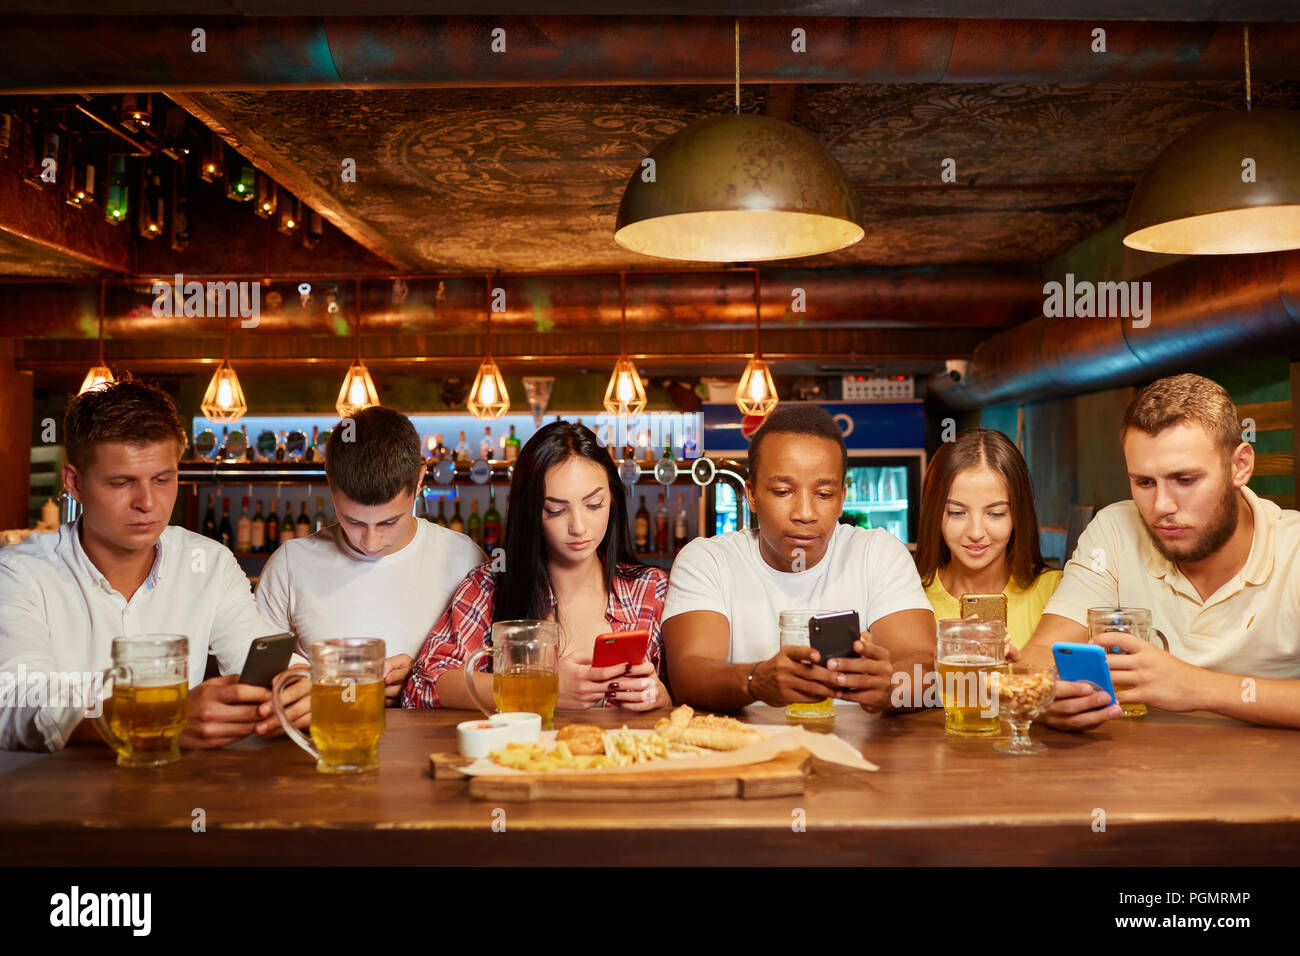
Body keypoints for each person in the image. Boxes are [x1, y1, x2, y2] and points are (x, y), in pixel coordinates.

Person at [0, 378, 307, 752]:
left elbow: (256, 655)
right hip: (52, 799)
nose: (147, 502)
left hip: (175, 795)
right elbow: (17, 700)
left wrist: (297, 684)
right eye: (121, 483)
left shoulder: (208, 564)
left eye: (163, 479)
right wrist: (157, 717)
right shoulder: (19, 573)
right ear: (75, 483)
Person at [1022, 373, 1300, 730]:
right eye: (1144, 482)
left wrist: (1197, 687)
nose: (1162, 506)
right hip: (1136, 777)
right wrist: (1050, 696)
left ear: (1239, 466)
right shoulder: (1114, 531)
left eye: (1185, 480)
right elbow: (1039, 656)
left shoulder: (1292, 548)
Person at [662, 405, 936, 713]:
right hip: (748, 753)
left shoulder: (878, 553)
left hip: (861, 754)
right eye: (782, 492)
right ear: (751, 495)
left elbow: (926, 664)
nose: (804, 514)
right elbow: (688, 675)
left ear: (842, 499)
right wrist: (755, 680)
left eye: (823, 495)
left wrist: (891, 687)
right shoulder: (707, 560)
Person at [403, 421, 669, 712]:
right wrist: (540, 690)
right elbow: (422, 687)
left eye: (594, 505)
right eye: (555, 510)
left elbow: (685, 695)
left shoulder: (650, 589)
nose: (578, 527)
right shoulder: (490, 586)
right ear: (529, 511)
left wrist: (660, 696)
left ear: (613, 501)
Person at [256, 406, 483, 705]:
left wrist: (420, 680)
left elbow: (488, 672)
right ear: (329, 479)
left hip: (436, 750)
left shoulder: (464, 559)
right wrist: (330, 686)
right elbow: (257, 682)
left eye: (389, 522)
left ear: (419, 480)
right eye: (354, 522)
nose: (372, 543)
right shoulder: (289, 565)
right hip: (326, 744)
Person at [915, 427, 1061, 650]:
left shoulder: (1058, 592)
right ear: (934, 513)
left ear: (1018, 514)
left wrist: (1020, 675)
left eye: (996, 514)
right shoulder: (910, 599)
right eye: (956, 513)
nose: (975, 532)